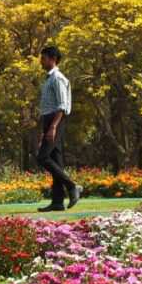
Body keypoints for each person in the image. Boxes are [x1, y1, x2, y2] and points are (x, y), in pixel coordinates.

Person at [36, 46, 82, 212]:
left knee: (42, 157)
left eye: (44, 58)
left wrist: (53, 127)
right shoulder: (48, 79)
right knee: (56, 162)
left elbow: (62, 106)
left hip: (56, 119)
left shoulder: (58, 78)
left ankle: (72, 186)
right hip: (49, 120)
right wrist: (45, 129)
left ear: (53, 58)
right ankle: (57, 201)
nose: (41, 61)